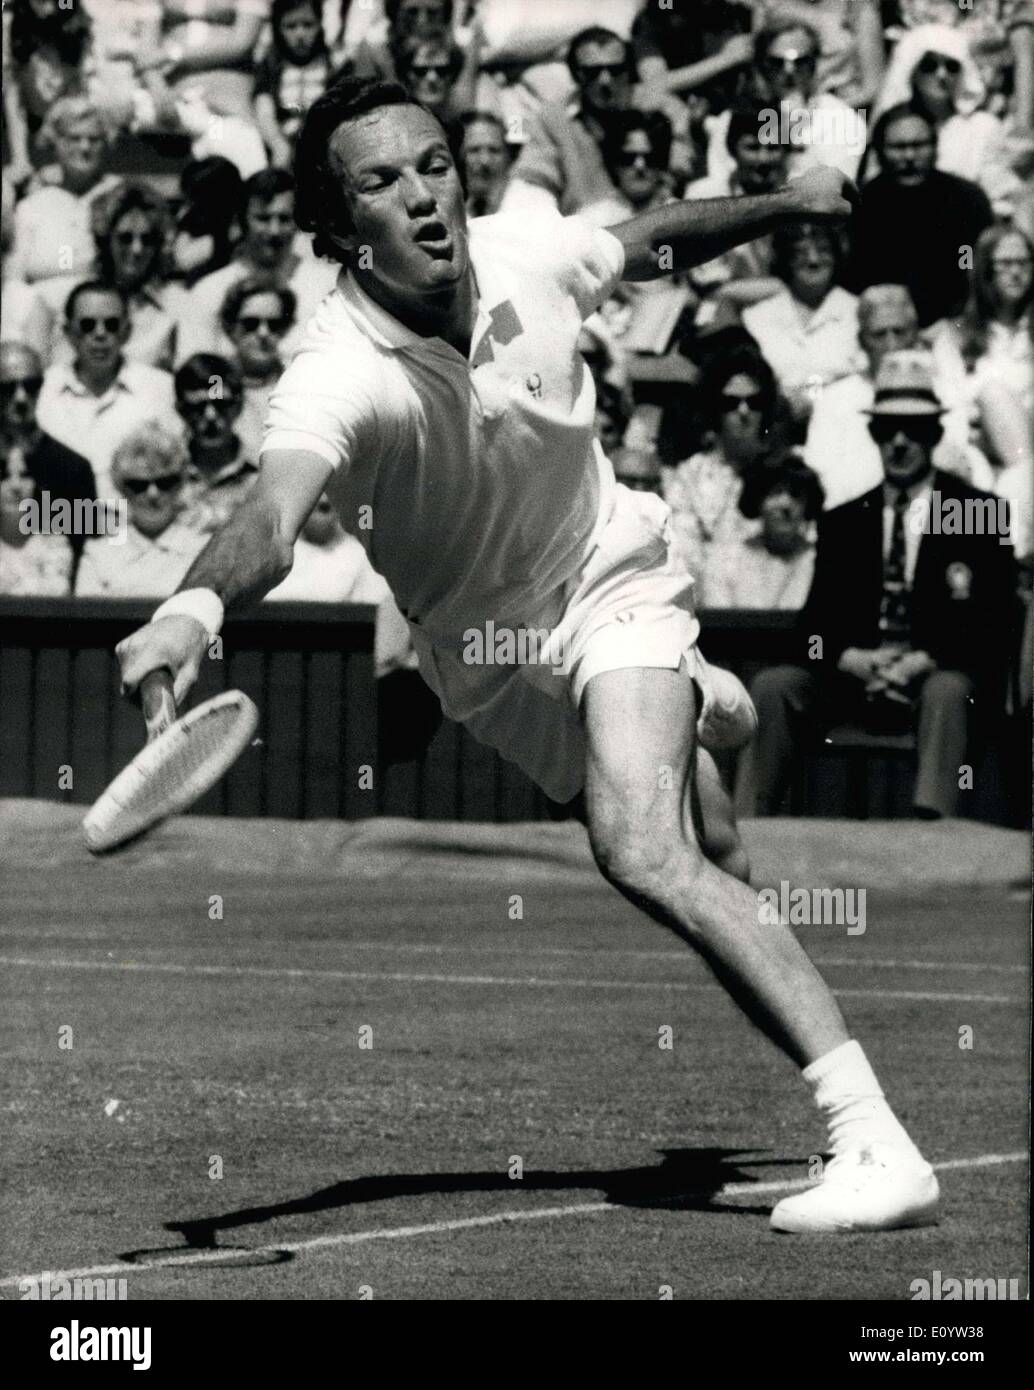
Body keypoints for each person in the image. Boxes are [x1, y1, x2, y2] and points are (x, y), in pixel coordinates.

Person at [115, 76, 941, 1235]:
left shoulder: (528, 251)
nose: (423, 194)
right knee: (706, 840)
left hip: (609, 572)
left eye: (435, 162)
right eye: (381, 181)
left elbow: (652, 238)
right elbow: (268, 518)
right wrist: (192, 609)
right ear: (340, 228)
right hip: (489, 658)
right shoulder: (338, 375)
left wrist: (795, 196)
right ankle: (696, 708)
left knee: (638, 847)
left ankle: (873, 1140)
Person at [738, 350, 1017, 820]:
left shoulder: (975, 510)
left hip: (934, 679)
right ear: (873, 434)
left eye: (915, 430)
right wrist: (852, 659)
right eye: (888, 430)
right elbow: (814, 627)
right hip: (856, 680)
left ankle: (933, 830)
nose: (901, 442)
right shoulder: (847, 519)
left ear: (935, 434)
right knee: (774, 685)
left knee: (949, 691)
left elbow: (993, 621)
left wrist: (919, 662)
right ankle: (750, 826)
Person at [804, 283, 977, 510]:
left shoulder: (943, 392)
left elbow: (951, 459)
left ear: (915, 335)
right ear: (862, 341)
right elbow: (821, 474)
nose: (891, 345)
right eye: (879, 334)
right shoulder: (833, 399)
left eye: (899, 332)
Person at [501, 27, 689, 218]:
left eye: (615, 70)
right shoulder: (552, 119)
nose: (605, 81)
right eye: (593, 72)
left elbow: (680, 165)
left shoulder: (664, 109)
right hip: (586, 228)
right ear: (576, 75)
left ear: (628, 70)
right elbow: (533, 179)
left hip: (657, 221)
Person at [846, 105, 994, 328]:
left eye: (919, 145)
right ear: (879, 150)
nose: (909, 156)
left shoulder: (967, 202)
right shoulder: (860, 205)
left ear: (935, 147)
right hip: (881, 328)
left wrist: (954, 322)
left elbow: (971, 265)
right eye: (898, 147)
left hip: (952, 325)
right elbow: (853, 277)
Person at [174, 167, 338, 364]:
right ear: (243, 221)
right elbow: (199, 373)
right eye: (263, 218)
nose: (274, 230)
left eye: (284, 219)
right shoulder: (209, 291)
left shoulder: (327, 286)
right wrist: (219, 393)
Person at [661, 346, 785, 601]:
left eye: (755, 402)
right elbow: (683, 554)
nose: (743, 412)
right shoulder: (690, 476)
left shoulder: (786, 472)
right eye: (731, 403)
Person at [36, 281, 177, 499]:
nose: (100, 334)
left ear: (127, 331)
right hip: (61, 525)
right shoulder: (42, 391)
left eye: (111, 325)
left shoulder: (162, 389)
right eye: (87, 325)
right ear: (68, 332)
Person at [869, 24, 1019, 212]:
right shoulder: (893, 128)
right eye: (929, 66)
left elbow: (1000, 197)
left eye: (951, 66)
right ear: (911, 70)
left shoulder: (983, 128)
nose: (942, 75)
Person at [704, 19, 867, 187]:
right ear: (761, 65)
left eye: (800, 62)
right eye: (777, 62)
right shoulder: (733, 118)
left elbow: (838, 190)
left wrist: (793, 138)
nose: (789, 71)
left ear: (814, 64)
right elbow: (720, 183)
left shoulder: (842, 119)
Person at [44, 180, 186, 371]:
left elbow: (211, 375)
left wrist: (215, 394)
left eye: (147, 239)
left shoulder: (176, 305)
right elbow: (58, 371)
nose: (137, 249)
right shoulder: (74, 300)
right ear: (105, 240)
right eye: (125, 238)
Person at [741, 220, 859, 421]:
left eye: (823, 250)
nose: (813, 260)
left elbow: (861, 377)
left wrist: (812, 398)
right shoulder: (757, 317)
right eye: (801, 252)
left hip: (840, 421)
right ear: (786, 258)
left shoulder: (857, 313)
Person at [0, 339, 99, 575]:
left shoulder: (73, 469)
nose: (21, 398)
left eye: (31, 385)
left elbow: (86, 555)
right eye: (7, 388)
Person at [75, 421, 206, 597]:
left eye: (165, 483)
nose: (152, 494)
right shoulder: (98, 554)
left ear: (182, 482)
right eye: (138, 485)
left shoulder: (204, 549)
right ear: (120, 487)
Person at [6, 95, 121, 287]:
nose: (85, 147)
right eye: (74, 138)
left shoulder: (119, 195)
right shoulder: (35, 204)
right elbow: (14, 276)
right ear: (56, 143)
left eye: (94, 139)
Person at [707, 450, 823, 611]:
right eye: (775, 493)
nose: (786, 504)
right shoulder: (726, 560)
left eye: (796, 495)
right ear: (758, 501)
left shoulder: (820, 562)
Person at [175, 353, 260, 534]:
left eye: (221, 405)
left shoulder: (262, 475)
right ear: (181, 410)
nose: (211, 416)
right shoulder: (163, 473)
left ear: (239, 406)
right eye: (198, 407)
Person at [220, 278, 298, 462]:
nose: (263, 333)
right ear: (230, 326)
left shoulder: (299, 382)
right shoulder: (215, 379)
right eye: (251, 324)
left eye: (274, 325)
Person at [253, 0, 337, 170]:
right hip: (283, 140)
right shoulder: (270, 63)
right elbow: (264, 113)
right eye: (290, 26)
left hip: (323, 140)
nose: (300, 34)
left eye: (308, 25)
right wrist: (278, 144)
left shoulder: (332, 62)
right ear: (278, 28)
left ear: (320, 24)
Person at [451, 110, 514, 217]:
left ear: (508, 156)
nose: (485, 161)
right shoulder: (453, 214)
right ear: (459, 157)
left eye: (494, 150)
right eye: (474, 150)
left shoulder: (527, 206)